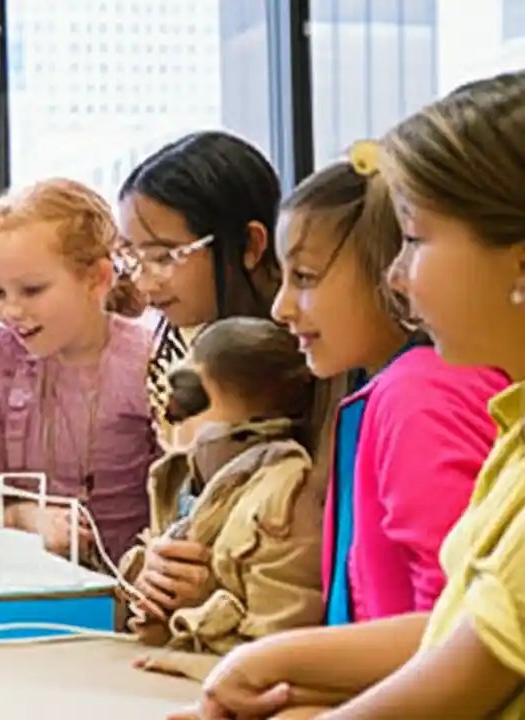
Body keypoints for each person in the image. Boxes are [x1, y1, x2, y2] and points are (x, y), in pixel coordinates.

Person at [174, 70, 525, 720]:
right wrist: (276, 665)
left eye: (414, 240)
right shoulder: (512, 436)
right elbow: (458, 633)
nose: (396, 273)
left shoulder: (421, 394)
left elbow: (462, 679)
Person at [272, 154, 503, 627]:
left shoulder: (419, 393)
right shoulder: (384, 387)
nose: (281, 307)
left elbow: (451, 630)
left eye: (305, 278)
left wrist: (280, 667)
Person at [116, 131, 293, 623]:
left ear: (252, 244)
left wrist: (220, 585)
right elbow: (174, 510)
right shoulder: (174, 352)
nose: (145, 284)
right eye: (133, 257)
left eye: (165, 256)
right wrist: (150, 569)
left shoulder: (309, 358)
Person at [119, 318, 322, 680]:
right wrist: (144, 579)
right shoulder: (176, 477)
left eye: (189, 393)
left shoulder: (285, 495)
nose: (168, 404)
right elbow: (135, 612)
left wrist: (203, 604)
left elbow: (279, 646)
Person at [0, 177, 160, 563]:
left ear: (97, 278)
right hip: (26, 576)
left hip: (135, 585)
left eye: (32, 290)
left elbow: (175, 500)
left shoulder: (148, 360)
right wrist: (26, 516)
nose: (9, 311)